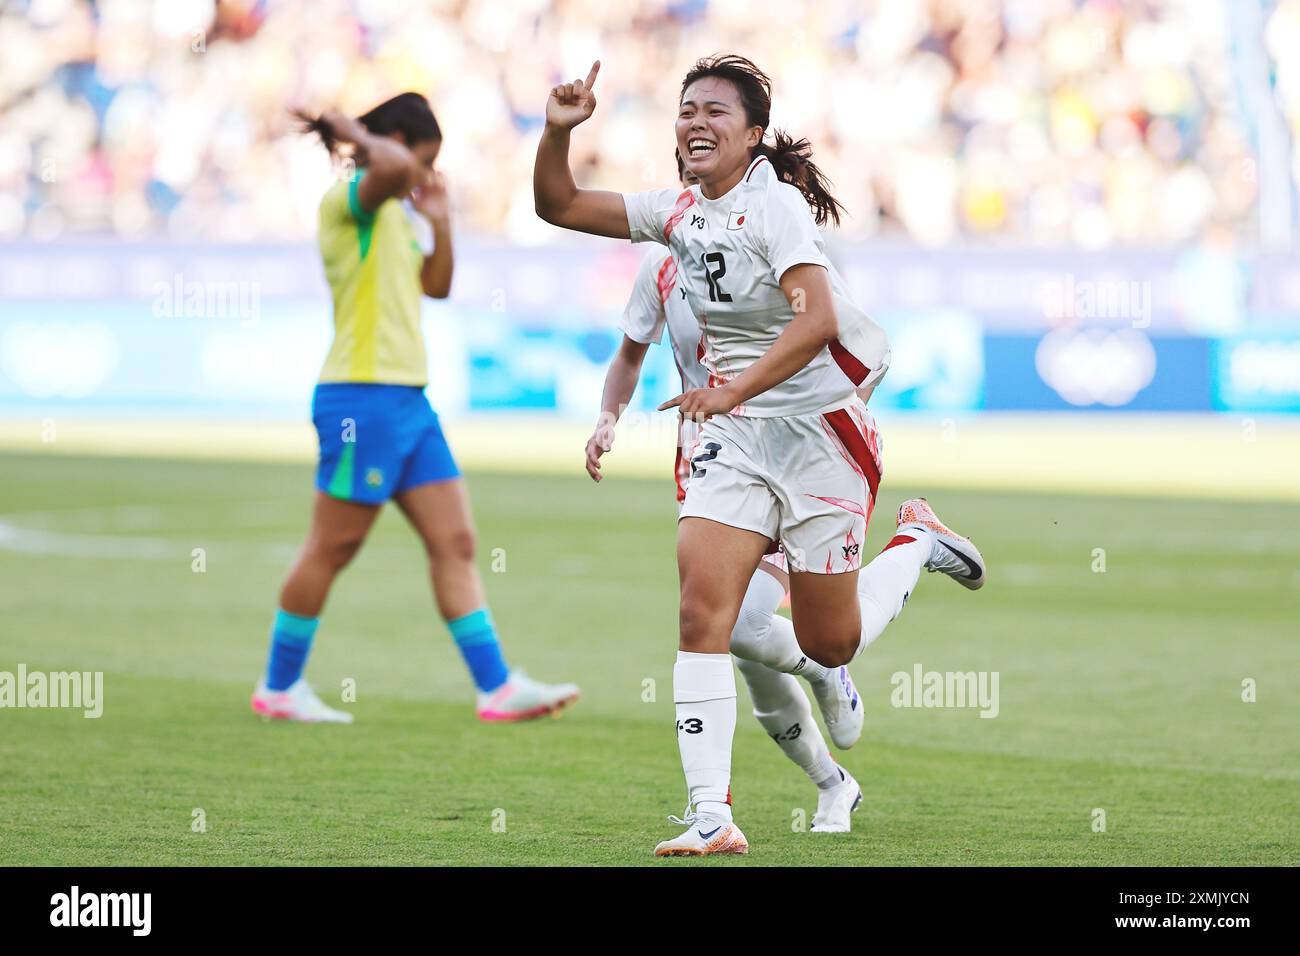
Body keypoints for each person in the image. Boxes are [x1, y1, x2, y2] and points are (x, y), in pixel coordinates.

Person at [539, 56, 985, 856]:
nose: (697, 121)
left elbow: (814, 322)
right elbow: (559, 203)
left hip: (819, 432)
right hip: (732, 437)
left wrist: (731, 389)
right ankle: (711, 815)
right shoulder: (673, 215)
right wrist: (557, 131)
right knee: (702, 614)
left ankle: (918, 540)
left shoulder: (775, 209)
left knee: (829, 645)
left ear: (752, 135)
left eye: (716, 110)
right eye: (686, 110)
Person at [253, 93, 579, 724]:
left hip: (408, 400)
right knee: (333, 547)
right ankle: (279, 686)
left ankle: (496, 687)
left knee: (454, 540)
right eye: (424, 160)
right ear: (396, 144)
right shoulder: (350, 199)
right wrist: (353, 134)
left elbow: (438, 286)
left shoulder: (398, 213)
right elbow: (394, 171)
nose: (426, 175)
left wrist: (444, 221)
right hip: (361, 396)